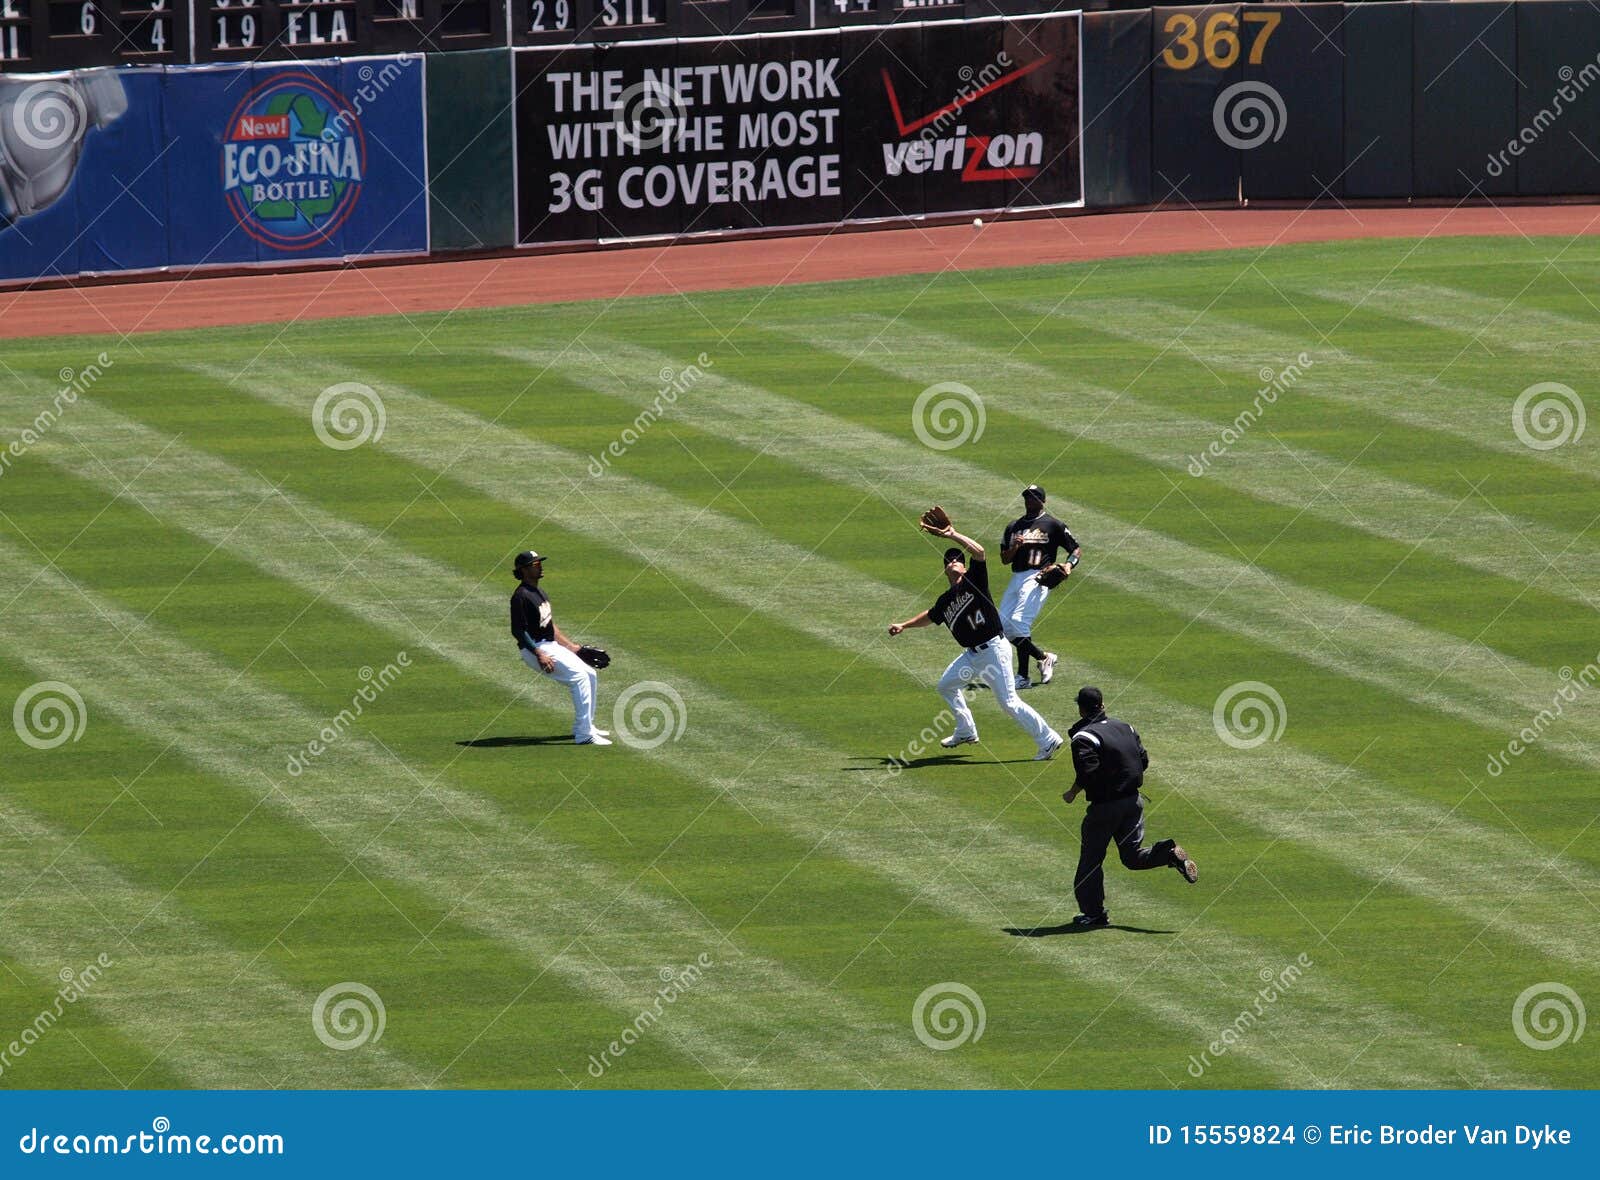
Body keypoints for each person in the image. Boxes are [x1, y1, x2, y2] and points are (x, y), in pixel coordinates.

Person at [888, 513, 1063, 760]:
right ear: (944, 569)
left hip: (994, 650)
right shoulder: (945, 600)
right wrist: (904, 625)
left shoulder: (974, 580)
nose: (953, 562)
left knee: (1009, 703)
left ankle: (1048, 739)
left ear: (964, 566)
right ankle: (966, 730)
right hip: (972, 656)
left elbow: (980, 552)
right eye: (949, 560)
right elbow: (930, 616)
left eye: (958, 559)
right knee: (946, 686)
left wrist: (952, 534)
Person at [1062, 686, 1196, 927]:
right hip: (1133, 802)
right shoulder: (1126, 727)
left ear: (1081, 709)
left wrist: (1072, 792)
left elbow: (1087, 774)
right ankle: (1167, 853)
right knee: (1132, 857)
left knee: (1090, 861)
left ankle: (1094, 914)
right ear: (1103, 705)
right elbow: (1142, 760)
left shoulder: (1084, 738)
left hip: (1105, 808)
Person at [509, 549, 611, 746]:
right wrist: (539, 654)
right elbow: (518, 631)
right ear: (523, 570)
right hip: (536, 648)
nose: (540, 567)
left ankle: (588, 726)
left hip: (550, 645)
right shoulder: (520, 596)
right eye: (535, 564)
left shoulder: (539, 592)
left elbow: (549, 625)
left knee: (590, 673)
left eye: (540, 563)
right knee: (579, 678)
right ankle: (584, 734)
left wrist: (573, 648)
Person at [999, 484, 1080, 690]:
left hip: (1038, 577)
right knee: (1002, 626)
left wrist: (1069, 565)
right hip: (1016, 577)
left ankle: (1022, 676)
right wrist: (1015, 547)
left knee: (1019, 622)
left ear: (1042, 501)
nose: (1029, 500)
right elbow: (1005, 559)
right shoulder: (1013, 526)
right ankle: (1043, 658)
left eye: (1034, 497)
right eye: (1027, 497)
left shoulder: (1053, 524)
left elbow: (1075, 549)